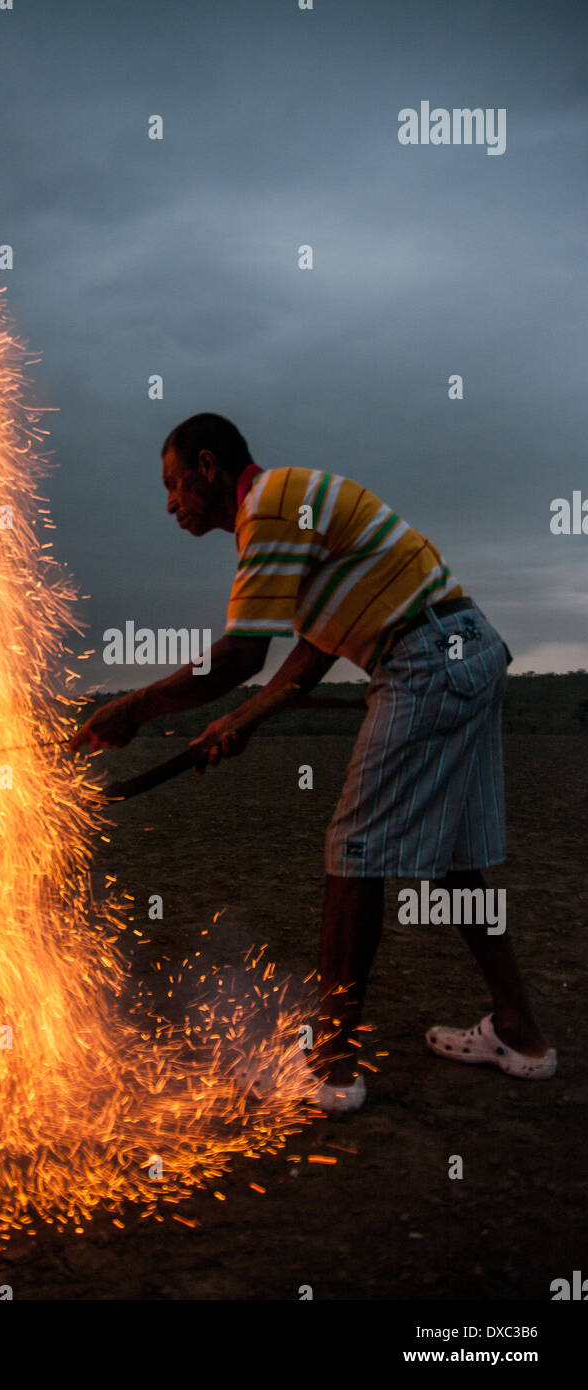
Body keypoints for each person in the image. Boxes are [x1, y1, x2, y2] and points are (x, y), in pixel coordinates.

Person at [70, 413, 555, 1112]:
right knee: (450, 855)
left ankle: (328, 1070)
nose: (170, 503)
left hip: (424, 660)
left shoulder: (266, 510)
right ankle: (517, 1032)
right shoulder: (291, 509)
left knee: (353, 852)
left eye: (174, 485)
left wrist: (133, 708)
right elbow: (310, 654)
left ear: (209, 467)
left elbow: (240, 657)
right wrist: (241, 720)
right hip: (466, 647)